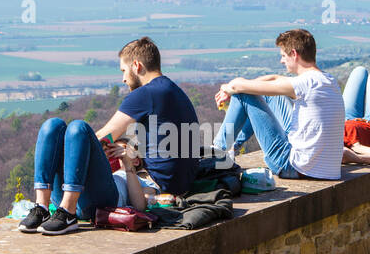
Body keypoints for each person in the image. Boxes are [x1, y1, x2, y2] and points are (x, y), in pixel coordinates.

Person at [20, 36, 198, 235]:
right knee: (52, 125)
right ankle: (42, 208)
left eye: (124, 70)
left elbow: (103, 136)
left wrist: (88, 152)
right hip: (174, 183)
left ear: (137, 66)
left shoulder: (146, 93)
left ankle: (66, 211)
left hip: (108, 197)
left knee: (78, 129)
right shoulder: (174, 91)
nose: (123, 79)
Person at [213, 27, 345, 179]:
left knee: (243, 94)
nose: (281, 60)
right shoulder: (327, 80)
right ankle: (232, 148)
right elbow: (275, 78)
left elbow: (238, 86)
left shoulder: (304, 83)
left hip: (292, 166)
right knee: (271, 95)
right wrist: (234, 89)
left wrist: (226, 89)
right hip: (326, 169)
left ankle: (218, 152)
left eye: (283, 55)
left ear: (294, 54)